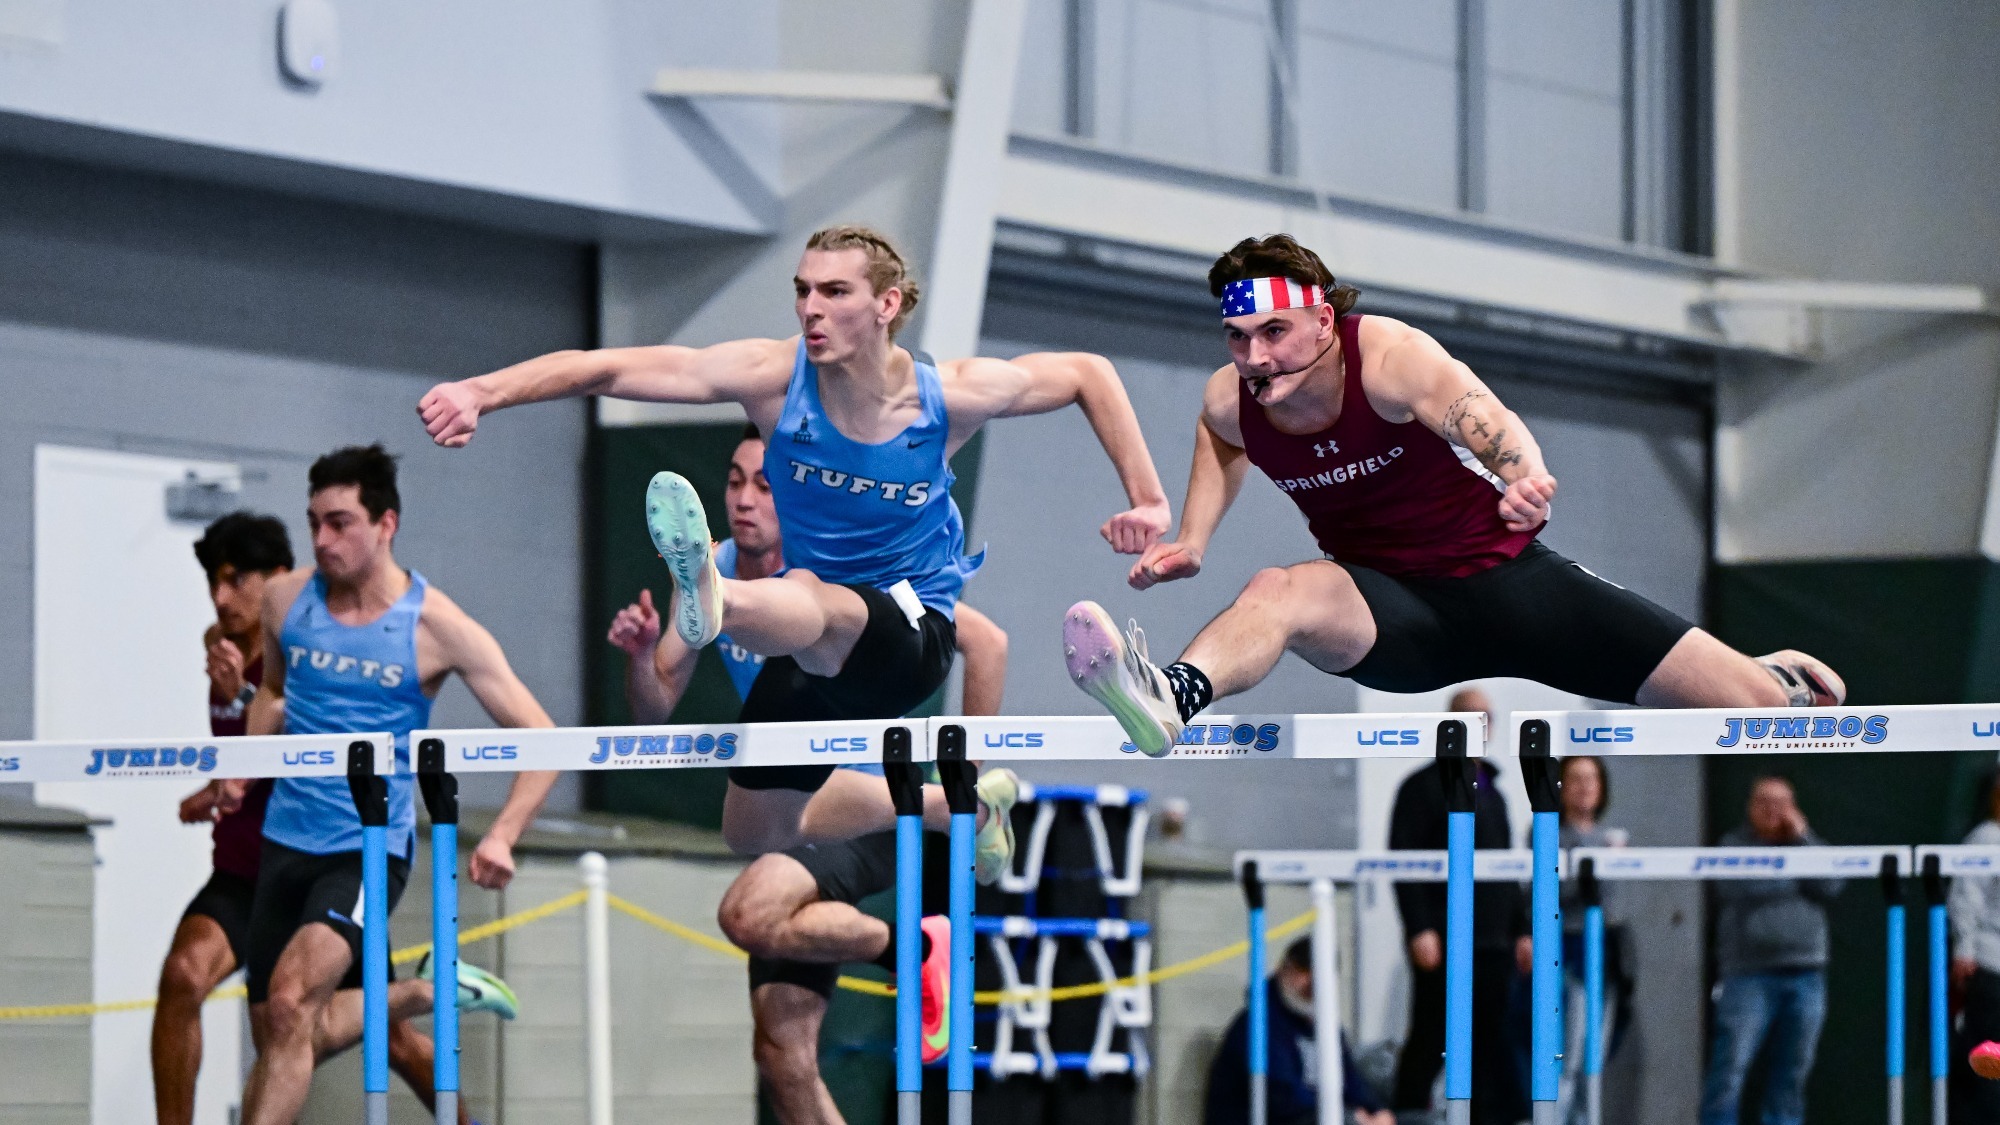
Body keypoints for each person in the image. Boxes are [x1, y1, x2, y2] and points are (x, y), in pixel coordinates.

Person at [416, 224, 1170, 862]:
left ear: (887, 304)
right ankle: (955, 809)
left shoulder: (951, 397)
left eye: (833, 292)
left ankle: (722, 599)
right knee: (755, 834)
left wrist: (1148, 497)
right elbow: (611, 367)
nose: (811, 308)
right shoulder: (774, 380)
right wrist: (484, 391)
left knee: (814, 598)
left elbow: (1086, 373)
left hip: (910, 629)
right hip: (809, 646)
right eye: (803, 290)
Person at [1058, 233, 1843, 758]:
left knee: (1759, 718)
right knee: (1279, 589)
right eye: (1238, 338)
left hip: (1509, 586)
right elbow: (1219, 436)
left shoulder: (1392, 358)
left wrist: (1524, 481)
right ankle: (1170, 696)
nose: (1256, 357)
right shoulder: (1235, 397)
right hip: (1393, 612)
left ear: (1325, 320)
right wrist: (1194, 537)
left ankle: (1769, 673)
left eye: (1275, 333)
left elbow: (1490, 423)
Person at [603, 425, 1014, 1120]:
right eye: (734, 481)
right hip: (787, 811)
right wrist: (642, 656)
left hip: (864, 807)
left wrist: (962, 772)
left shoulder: (837, 563)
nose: (744, 499)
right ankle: (915, 947)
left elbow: (987, 640)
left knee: (745, 910)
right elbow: (654, 708)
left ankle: (941, 839)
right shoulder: (711, 570)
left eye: (764, 485)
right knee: (784, 1054)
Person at [230, 445, 561, 1125]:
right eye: (314, 521)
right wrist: (240, 765)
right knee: (279, 1032)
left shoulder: (436, 626)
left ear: (387, 524)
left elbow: (544, 738)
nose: (322, 539)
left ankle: (416, 991)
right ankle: (422, 989)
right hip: (284, 837)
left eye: (340, 522)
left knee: (293, 1001)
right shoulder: (285, 599)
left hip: (368, 843)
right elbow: (272, 692)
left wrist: (504, 834)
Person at [155, 513, 472, 1123]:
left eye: (235, 581)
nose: (221, 599)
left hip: (317, 860)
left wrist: (241, 702)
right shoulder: (218, 652)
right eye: (211, 585)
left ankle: (448, 1058)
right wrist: (215, 787)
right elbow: (243, 764)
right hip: (246, 872)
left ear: (277, 580)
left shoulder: (306, 649)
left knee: (386, 1040)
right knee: (184, 978)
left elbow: (308, 744)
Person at [1383, 688, 1529, 1123]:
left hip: (1494, 945)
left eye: (1487, 718)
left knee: (1487, 1046)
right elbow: (1403, 860)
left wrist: (1522, 930)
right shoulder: (1421, 788)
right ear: (1451, 725)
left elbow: (1508, 868)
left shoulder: (1496, 793)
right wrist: (1418, 928)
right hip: (1445, 941)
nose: (1482, 727)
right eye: (1472, 718)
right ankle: (1406, 1116)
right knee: (1431, 1038)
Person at [1699, 776, 1840, 1125]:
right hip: (1748, 975)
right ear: (1750, 807)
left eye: (1781, 802)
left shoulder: (1810, 847)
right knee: (1730, 1067)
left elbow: (1832, 883)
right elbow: (1743, 886)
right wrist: (1792, 875)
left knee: (1793, 1072)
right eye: (1764, 801)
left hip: (1806, 973)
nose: (1772, 809)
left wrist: (1803, 839)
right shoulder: (1733, 846)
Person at [1204, 936, 1393, 1125]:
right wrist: (1351, 1116)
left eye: (1321, 974)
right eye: (1304, 970)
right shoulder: (1257, 1024)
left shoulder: (1327, 1028)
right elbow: (1283, 1097)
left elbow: (1351, 1082)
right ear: (1282, 970)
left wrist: (1377, 1111)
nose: (1312, 981)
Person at [1551, 754, 1632, 1125]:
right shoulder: (1548, 833)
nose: (1584, 787)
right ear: (1561, 787)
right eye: (1576, 779)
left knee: (1594, 1058)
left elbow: (1615, 900)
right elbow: (1548, 891)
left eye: (1591, 779)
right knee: (1565, 1055)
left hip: (1607, 951)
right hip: (1568, 949)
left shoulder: (1611, 836)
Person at [1948, 767, 2000, 1120]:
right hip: (1991, 974)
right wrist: (1964, 950)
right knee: (1986, 1075)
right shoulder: (1987, 838)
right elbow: (1965, 899)